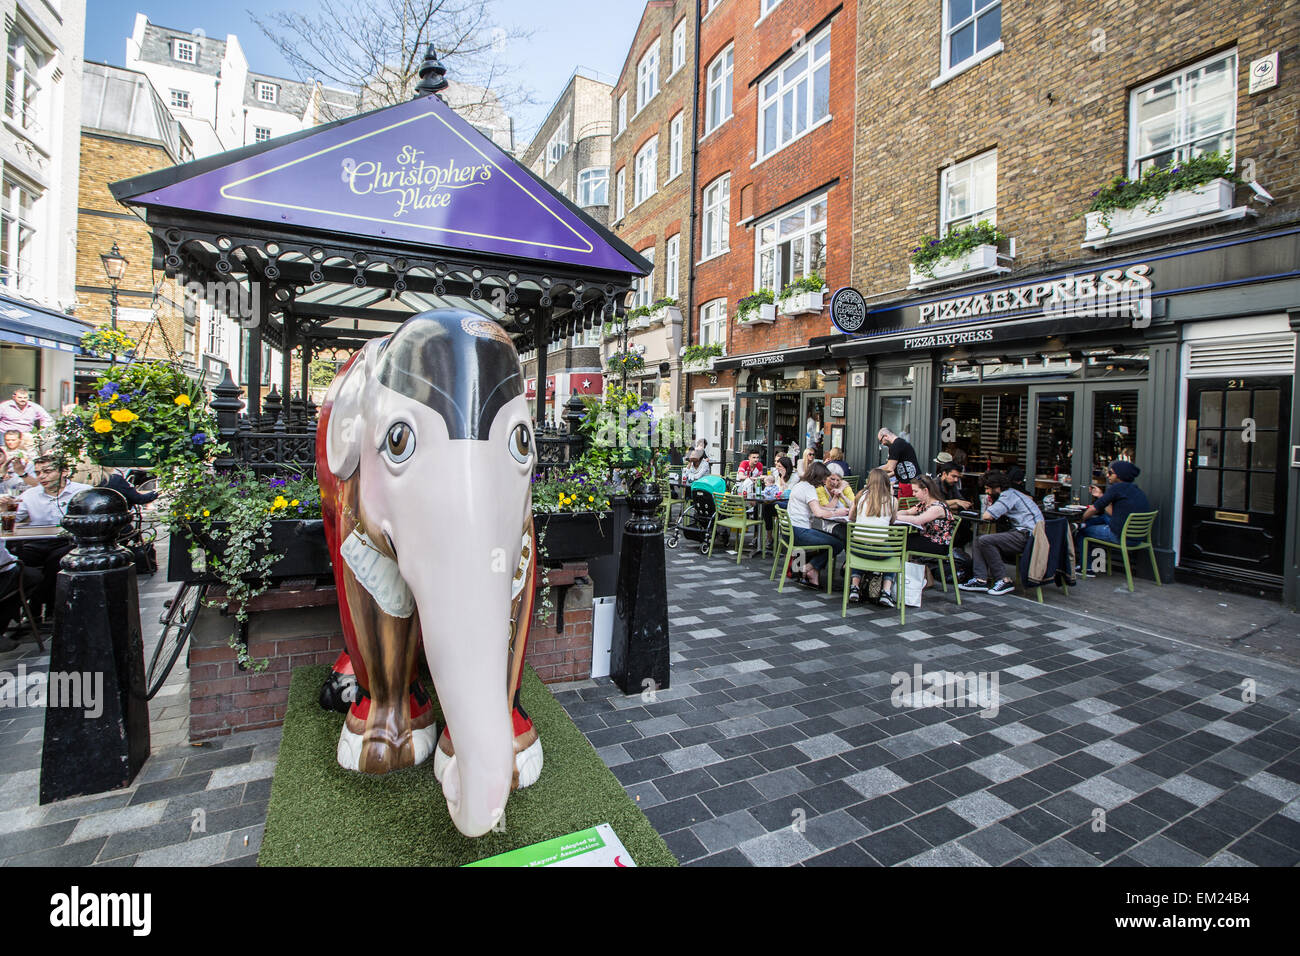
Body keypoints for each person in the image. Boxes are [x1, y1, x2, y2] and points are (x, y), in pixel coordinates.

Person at [6, 455, 91, 617]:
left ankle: (39, 604)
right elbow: (13, 519)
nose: (42, 476)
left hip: (69, 541)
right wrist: (7, 507)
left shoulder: (82, 491)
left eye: (48, 471)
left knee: (57, 560)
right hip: (38, 541)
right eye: (38, 473)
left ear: (64, 471)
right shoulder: (30, 495)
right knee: (18, 559)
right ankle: (34, 605)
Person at [960, 470, 1043, 596]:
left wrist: (988, 504)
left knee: (985, 540)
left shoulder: (1007, 496)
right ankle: (980, 579)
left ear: (997, 487)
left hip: (1029, 535)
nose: (987, 491)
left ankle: (1003, 580)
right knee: (979, 539)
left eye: (988, 488)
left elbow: (987, 516)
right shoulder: (1013, 493)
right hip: (1030, 533)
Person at [1075, 460, 1150, 575]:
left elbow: (1095, 508)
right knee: (1103, 517)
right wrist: (1100, 495)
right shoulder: (1136, 490)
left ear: (1120, 475)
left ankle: (1087, 567)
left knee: (1082, 531)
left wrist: (1080, 519)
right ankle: (1083, 524)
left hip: (1121, 537)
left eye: (1110, 472)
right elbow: (1112, 513)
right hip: (1137, 538)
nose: (1107, 475)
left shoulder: (1117, 488)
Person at [786, 462, 845, 589]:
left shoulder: (799, 485)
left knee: (830, 540)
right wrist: (836, 512)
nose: (825, 481)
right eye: (824, 478)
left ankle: (813, 572)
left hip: (790, 532)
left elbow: (816, 507)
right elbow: (818, 513)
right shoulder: (809, 489)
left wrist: (832, 509)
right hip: (800, 532)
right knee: (838, 543)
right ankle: (808, 567)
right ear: (817, 476)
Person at [847, 467, 898, 607]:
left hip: (858, 549)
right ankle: (886, 591)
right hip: (879, 552)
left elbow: (851, 517)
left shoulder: (860, 496)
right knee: (896, 555)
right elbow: (892, 521)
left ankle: (854, 587)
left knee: (862, 547)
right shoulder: (892, 500)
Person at [895, 475, 957, 559]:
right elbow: (908, 512)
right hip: (927, 538)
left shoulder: (937, 507)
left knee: (899, 543)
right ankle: (906, 567)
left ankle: (901, 568)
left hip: (938, 544)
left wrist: (894, 517)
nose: (913, 494)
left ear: (925, 491)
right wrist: (895, 514)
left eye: (915, 491)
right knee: (900, 539)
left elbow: (918, 520)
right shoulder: (924, 503)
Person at [877, 427, 921, 497]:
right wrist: (886, 476)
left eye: (881, 441)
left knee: (903, 506)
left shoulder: (895, 446)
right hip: (915, 482)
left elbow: (890, 467)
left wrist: (875, 471)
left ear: (886, 436)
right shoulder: (902, 442)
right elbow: (900, 468)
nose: (882, 443)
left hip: (907, 484)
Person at [816, 470, 854, 539]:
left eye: (838, 480)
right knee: (845, 533)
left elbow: (854, 506)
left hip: (848, 522)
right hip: (830, 524)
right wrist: (837, 495)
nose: (834, 482)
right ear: (825, 479)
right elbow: (829, 507)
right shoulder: (820, 489)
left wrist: (842, 495)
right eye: (832, 479)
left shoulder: (845, 488)